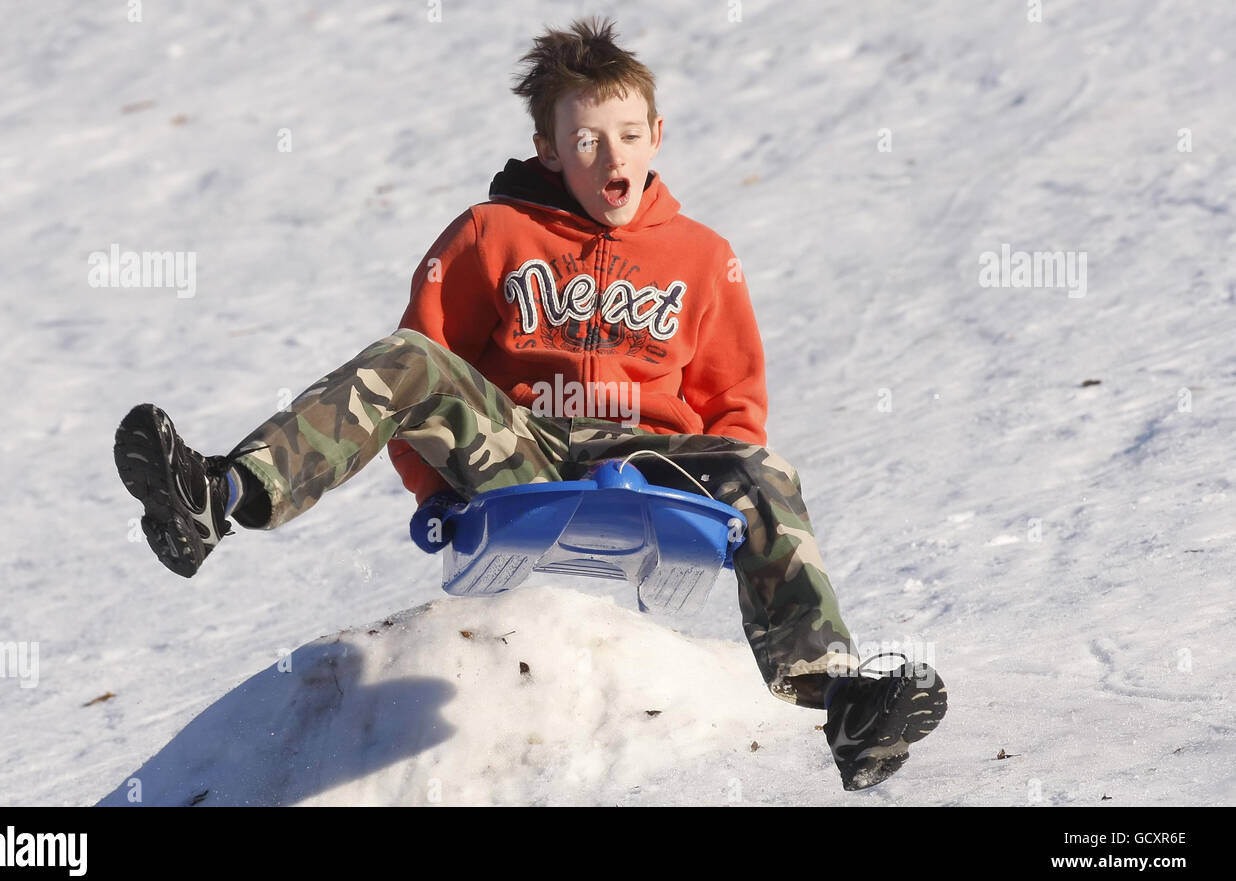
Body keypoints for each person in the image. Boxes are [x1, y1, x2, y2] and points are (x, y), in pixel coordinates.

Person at [113, 17, 945, 791]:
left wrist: (723, 507)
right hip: (524, 450)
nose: (608, 155)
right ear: (549, 149)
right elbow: (422, 368)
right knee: (404, 358)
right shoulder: (489, 235)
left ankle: (842, 700)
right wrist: (436, 496)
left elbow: (733, 405)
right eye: (584, 141)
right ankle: (217, 496)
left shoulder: (702, 257)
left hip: (650, 459)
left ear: (656, 137)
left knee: (764, 468)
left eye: (625, 135)